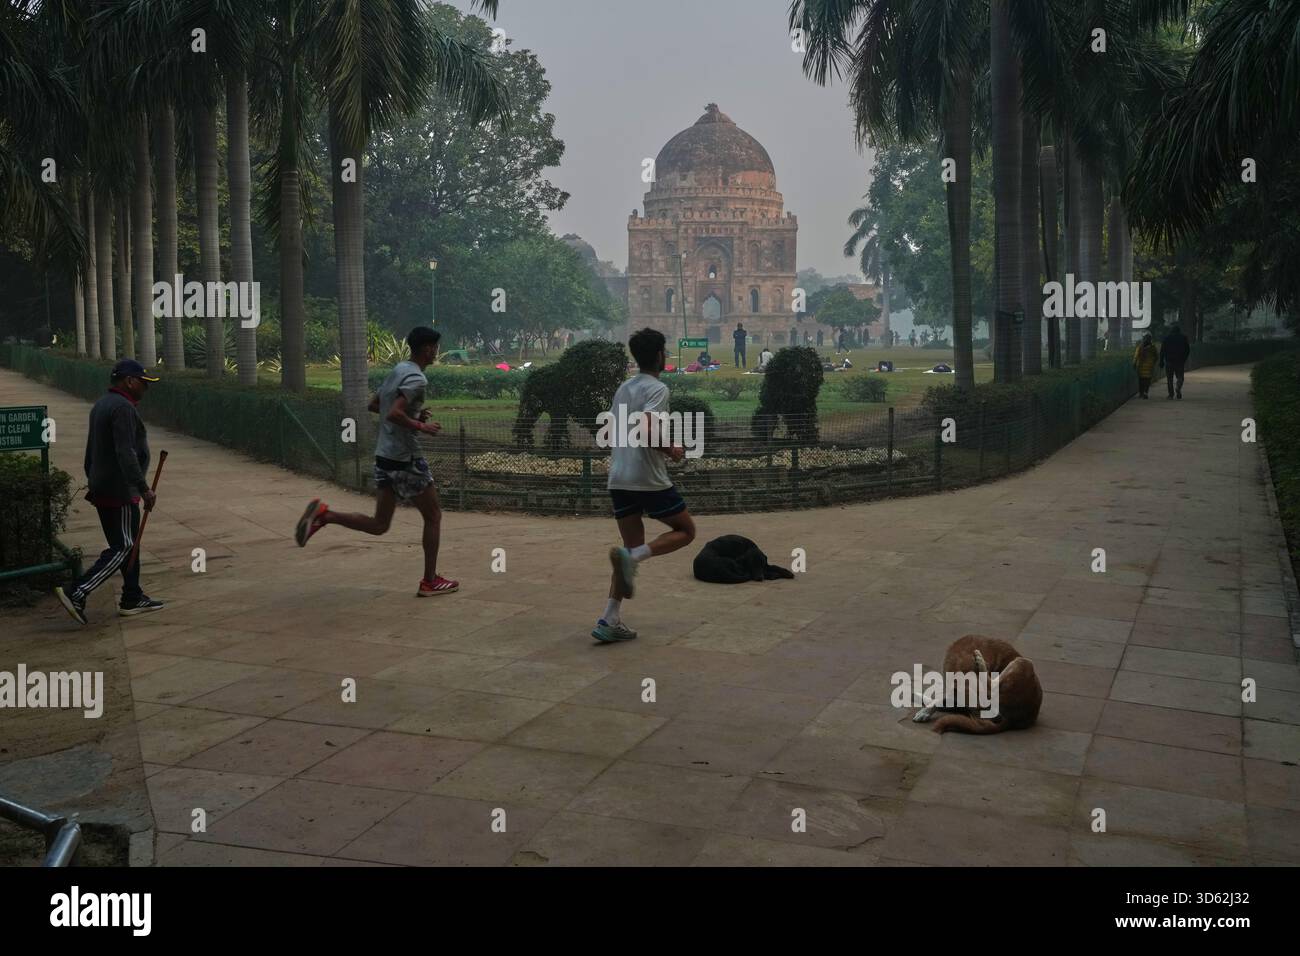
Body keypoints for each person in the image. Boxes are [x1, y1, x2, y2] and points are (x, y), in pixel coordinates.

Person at [294, 326, 457, 595]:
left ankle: (325, 515)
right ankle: (430, 581)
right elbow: (393, 414)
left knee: (380, 525)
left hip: (384, 456)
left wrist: (414, 417)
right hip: (406, 459)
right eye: (435, 347)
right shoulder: (417, 379)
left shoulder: (399, 369)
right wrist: (421, 427)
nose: (436, 352)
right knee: (434, 515)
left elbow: (374, 405)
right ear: (427, 349)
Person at [597, 328, 696, 642]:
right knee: (686, 531)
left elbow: (612, 433)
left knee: (627, 552)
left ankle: (609, 619)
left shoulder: (623, 388)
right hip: (647, 478)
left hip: (619, 476)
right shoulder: (658, 389)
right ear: (659, 356)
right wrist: (672, 450)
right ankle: (637, 557)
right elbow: (647, 431)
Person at [55, 359, 165, 625]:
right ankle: (78, 591)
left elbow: (91, 452)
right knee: (124, 545)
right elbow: (125, 452)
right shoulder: (122, 408)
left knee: (130, 542)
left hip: (104, 485)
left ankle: (132, 596)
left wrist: (94, 479)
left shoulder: (102, 404)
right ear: (129, 381)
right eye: (143, 383)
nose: (145, 388)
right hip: (120, 489)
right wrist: (142, 488)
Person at [1160, 322, 1191, 399]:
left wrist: (1161, 361)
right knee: (1180, 377)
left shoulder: (1167, 338)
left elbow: (1162, 350)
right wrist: (1184, 359)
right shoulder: (1183, 338)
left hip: (1169, 361)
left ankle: (1171, 395)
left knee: (1169, 378)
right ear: (1179, 331)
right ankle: (1178, 387)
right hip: (1180, 361)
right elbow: (1187, 350)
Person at [1133, 332, 1159, 399]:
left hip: (1140, 366)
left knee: (1141, 381)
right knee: (1147, 381)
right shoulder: (1153, 347)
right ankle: (1145, 392)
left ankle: (1141, 393)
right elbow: (1156, 356)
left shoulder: (1140, 347)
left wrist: (1134, 364)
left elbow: (1136, 356)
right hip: (1150, 367)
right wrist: (1153, 362)